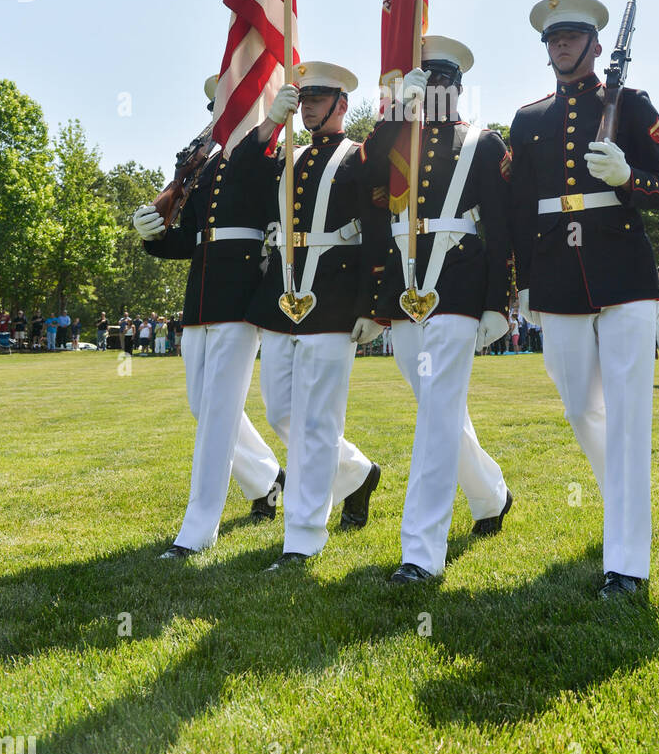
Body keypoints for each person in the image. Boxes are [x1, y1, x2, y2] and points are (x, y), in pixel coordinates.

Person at [510, 0, 659, 600]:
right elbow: (522, 209)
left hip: (624, 272)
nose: (561, 45)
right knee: (581, 407)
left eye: (573, 36)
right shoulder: (528, 122)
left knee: (629, 416)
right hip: (556, 275)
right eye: (553, 39)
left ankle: (626, 561)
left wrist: (628, 177)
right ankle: (620, 496)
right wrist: (522, 283)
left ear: (597, 44)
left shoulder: (629, 106)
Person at [358, 37, 513, 585]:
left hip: (460, 281)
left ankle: (421, 553)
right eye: (428, 84)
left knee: (436, 413)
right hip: (405, 286)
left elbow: (501, 228)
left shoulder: (483, 143)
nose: (436, 94)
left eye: (444, 83)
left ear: (459, 88)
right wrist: (398, 111)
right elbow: (363, 170)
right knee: (438, 406)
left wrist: (499, 301)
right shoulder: (401, 144)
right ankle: (492, 494)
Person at [233, 63, 384, 569]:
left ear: (342, 104)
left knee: (318, 423)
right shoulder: (285, 156)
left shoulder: (360, 157)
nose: (309, 105)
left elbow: (378, 235)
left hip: (335, 299)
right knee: (281, 412)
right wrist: (270, 125)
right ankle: (358, 473)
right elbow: (240, 174)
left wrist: (373, 304)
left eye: (319, 98)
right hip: (281, 297)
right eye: (303, 97)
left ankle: (302, 537)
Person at [132, 76, 286, 558]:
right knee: (205, 406)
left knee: (217, 411)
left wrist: (275, 123)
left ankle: (197, 530)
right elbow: (192, 237)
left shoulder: (268, 155)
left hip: (241, 292)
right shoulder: (201, 164)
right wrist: (152, 235)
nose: (217, 113)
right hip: (200, 294)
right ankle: (267, 479)